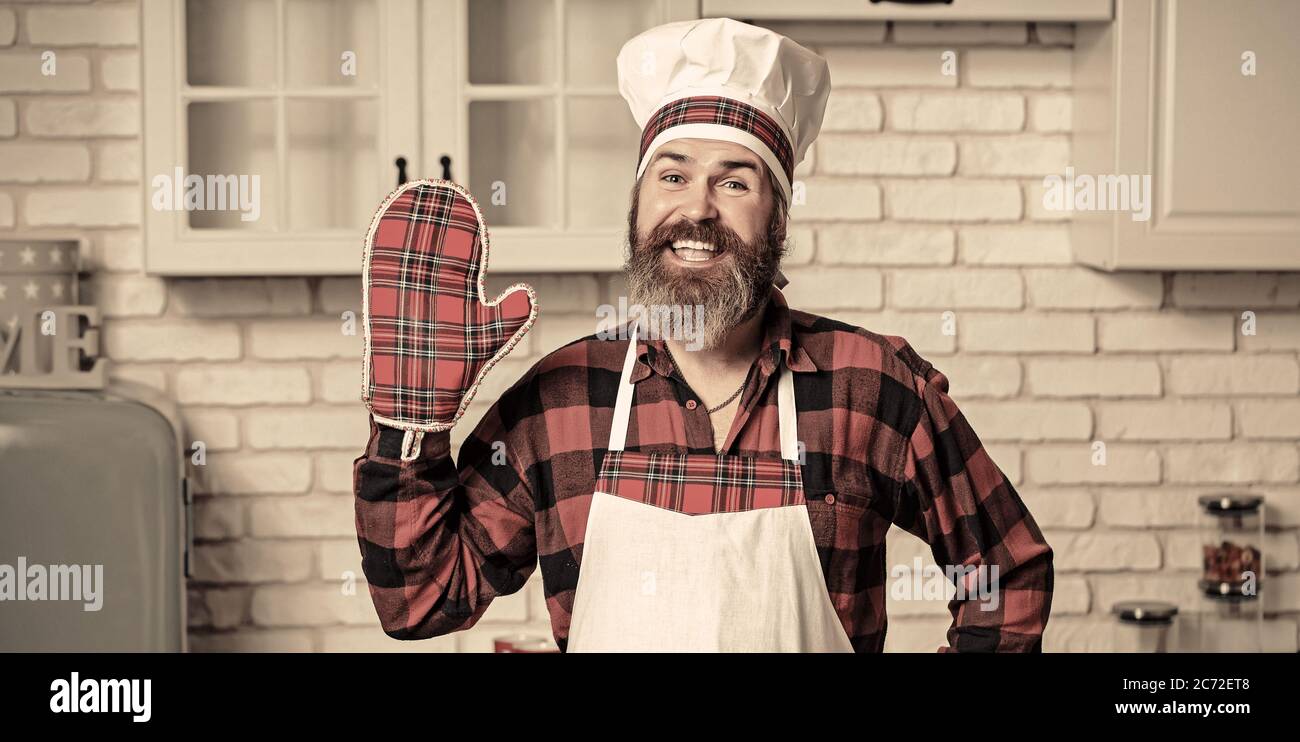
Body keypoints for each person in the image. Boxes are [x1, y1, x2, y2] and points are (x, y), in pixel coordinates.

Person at [353, 17, 1053, 652]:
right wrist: (407, 429)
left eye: (735, 183)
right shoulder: (559, 402)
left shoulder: (870, 388)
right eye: (673, 175)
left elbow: (1007, 572)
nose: (697, 209)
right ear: (638, 205)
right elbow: (419, 602)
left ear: (777, 220)